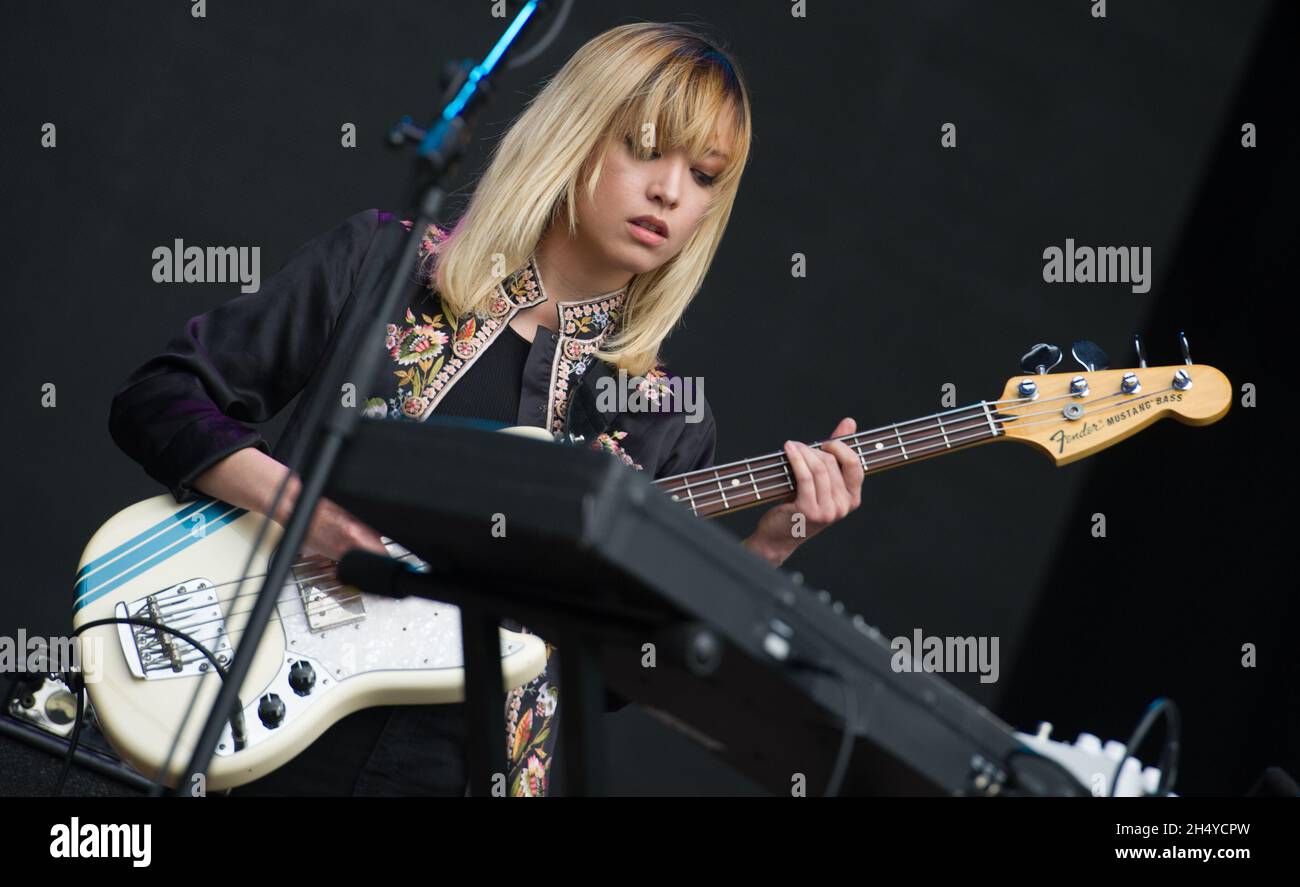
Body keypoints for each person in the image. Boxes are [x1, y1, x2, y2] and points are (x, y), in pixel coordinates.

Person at [108, 22, 864, 797]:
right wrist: (308, 515)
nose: (671, 191)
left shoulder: (665, 419)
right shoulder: (383, 267)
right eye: (645, 148)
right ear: (574, 131)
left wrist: (768, 551)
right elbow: (161, 397)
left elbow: (608, 677)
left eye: (704, 176)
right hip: (254, 726)